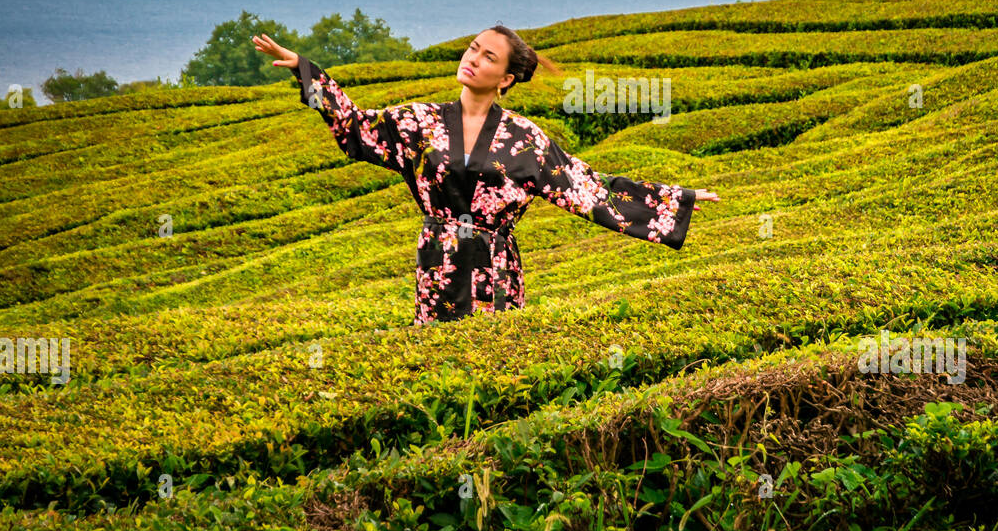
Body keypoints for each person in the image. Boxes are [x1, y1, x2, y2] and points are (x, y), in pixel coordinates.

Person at [253, 25, 719, 325]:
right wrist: (305, 72)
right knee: (433, 361)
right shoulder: (421, 121)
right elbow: (355, 128)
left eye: (488, 57)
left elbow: (587, 187)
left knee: (493, 357)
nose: (472, 57)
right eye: (473, 48)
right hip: (438, 259)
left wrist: (674, 199)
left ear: (506, 79)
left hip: (495, 265)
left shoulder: (526, 139)